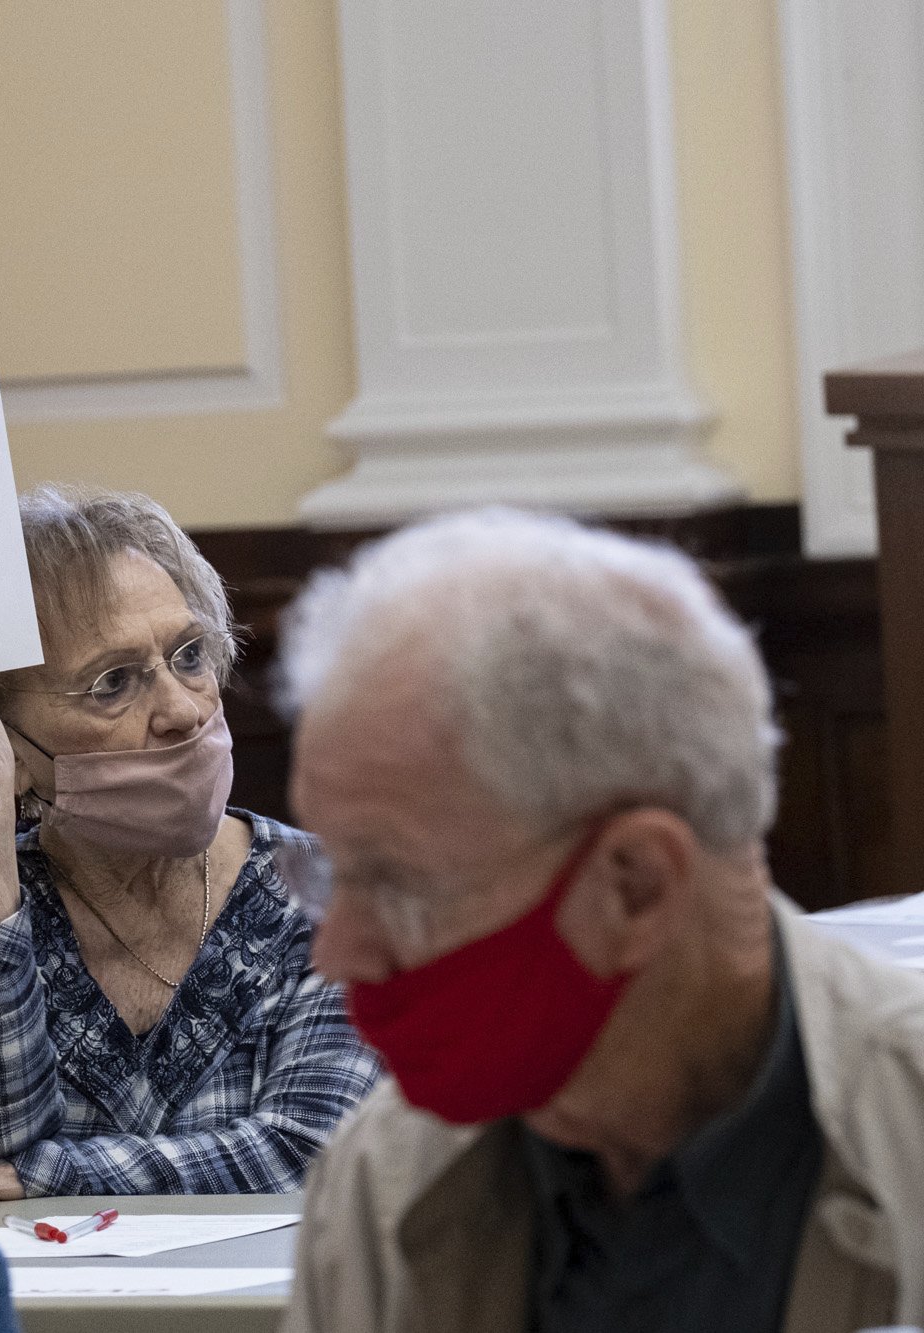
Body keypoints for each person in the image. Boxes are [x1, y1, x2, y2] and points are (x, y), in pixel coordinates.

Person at [276, 508, 924, 1332]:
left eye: (398, 884)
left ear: (638, 883)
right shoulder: (386, 1179)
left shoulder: (907, 1143)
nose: (336, 954)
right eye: (330, 871)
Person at [0, 485, 378, 1212]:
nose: (182, 709)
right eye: (114, 683)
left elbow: (309, 1154)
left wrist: (29, 1178)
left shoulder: (333, 890)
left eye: (190, 654)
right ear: (8, 741)